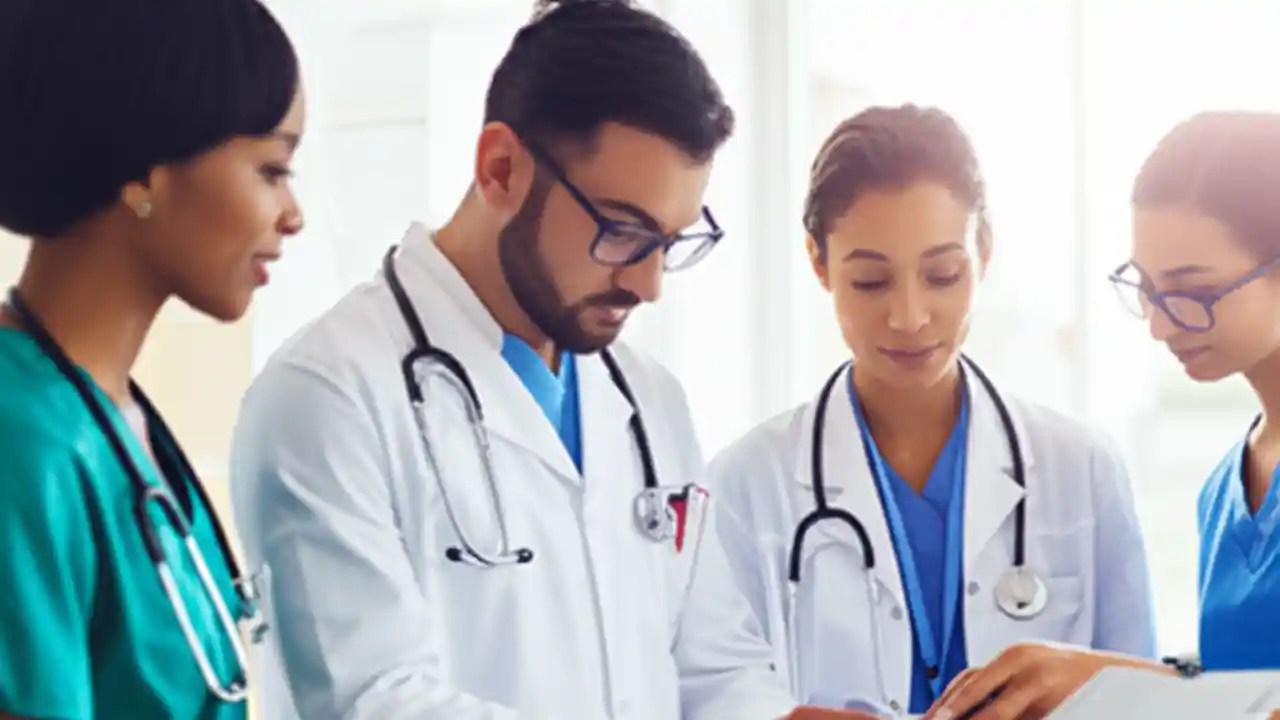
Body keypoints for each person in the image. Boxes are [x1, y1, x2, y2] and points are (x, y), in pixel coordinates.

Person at [228, 1, 875, 718]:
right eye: (623, 232)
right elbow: (374, 701)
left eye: (670, 243)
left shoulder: (648, 401)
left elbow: (711, 671)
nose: (648, 285)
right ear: (501, 168)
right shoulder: (328, 396)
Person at [707, 104, 1157, 718]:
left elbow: (1142, 702)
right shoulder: (745, 485)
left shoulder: (1082, 468)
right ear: (818, 262)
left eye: (942, 275)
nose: (910, 317)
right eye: (871, 281)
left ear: (985, 251)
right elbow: (717, 692)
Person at [0, 1, 305, 718]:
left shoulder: (119, 424)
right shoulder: (21, 439)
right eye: (272, 169)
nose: (293, 215)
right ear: (143, 171)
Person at [922, 111, 1280, 720]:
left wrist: (1121, 684)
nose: (1160, 325)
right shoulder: (1225, 491)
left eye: (1193, 292)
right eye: (1147, 288)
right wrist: (1097, 683)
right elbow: (1237, 688)